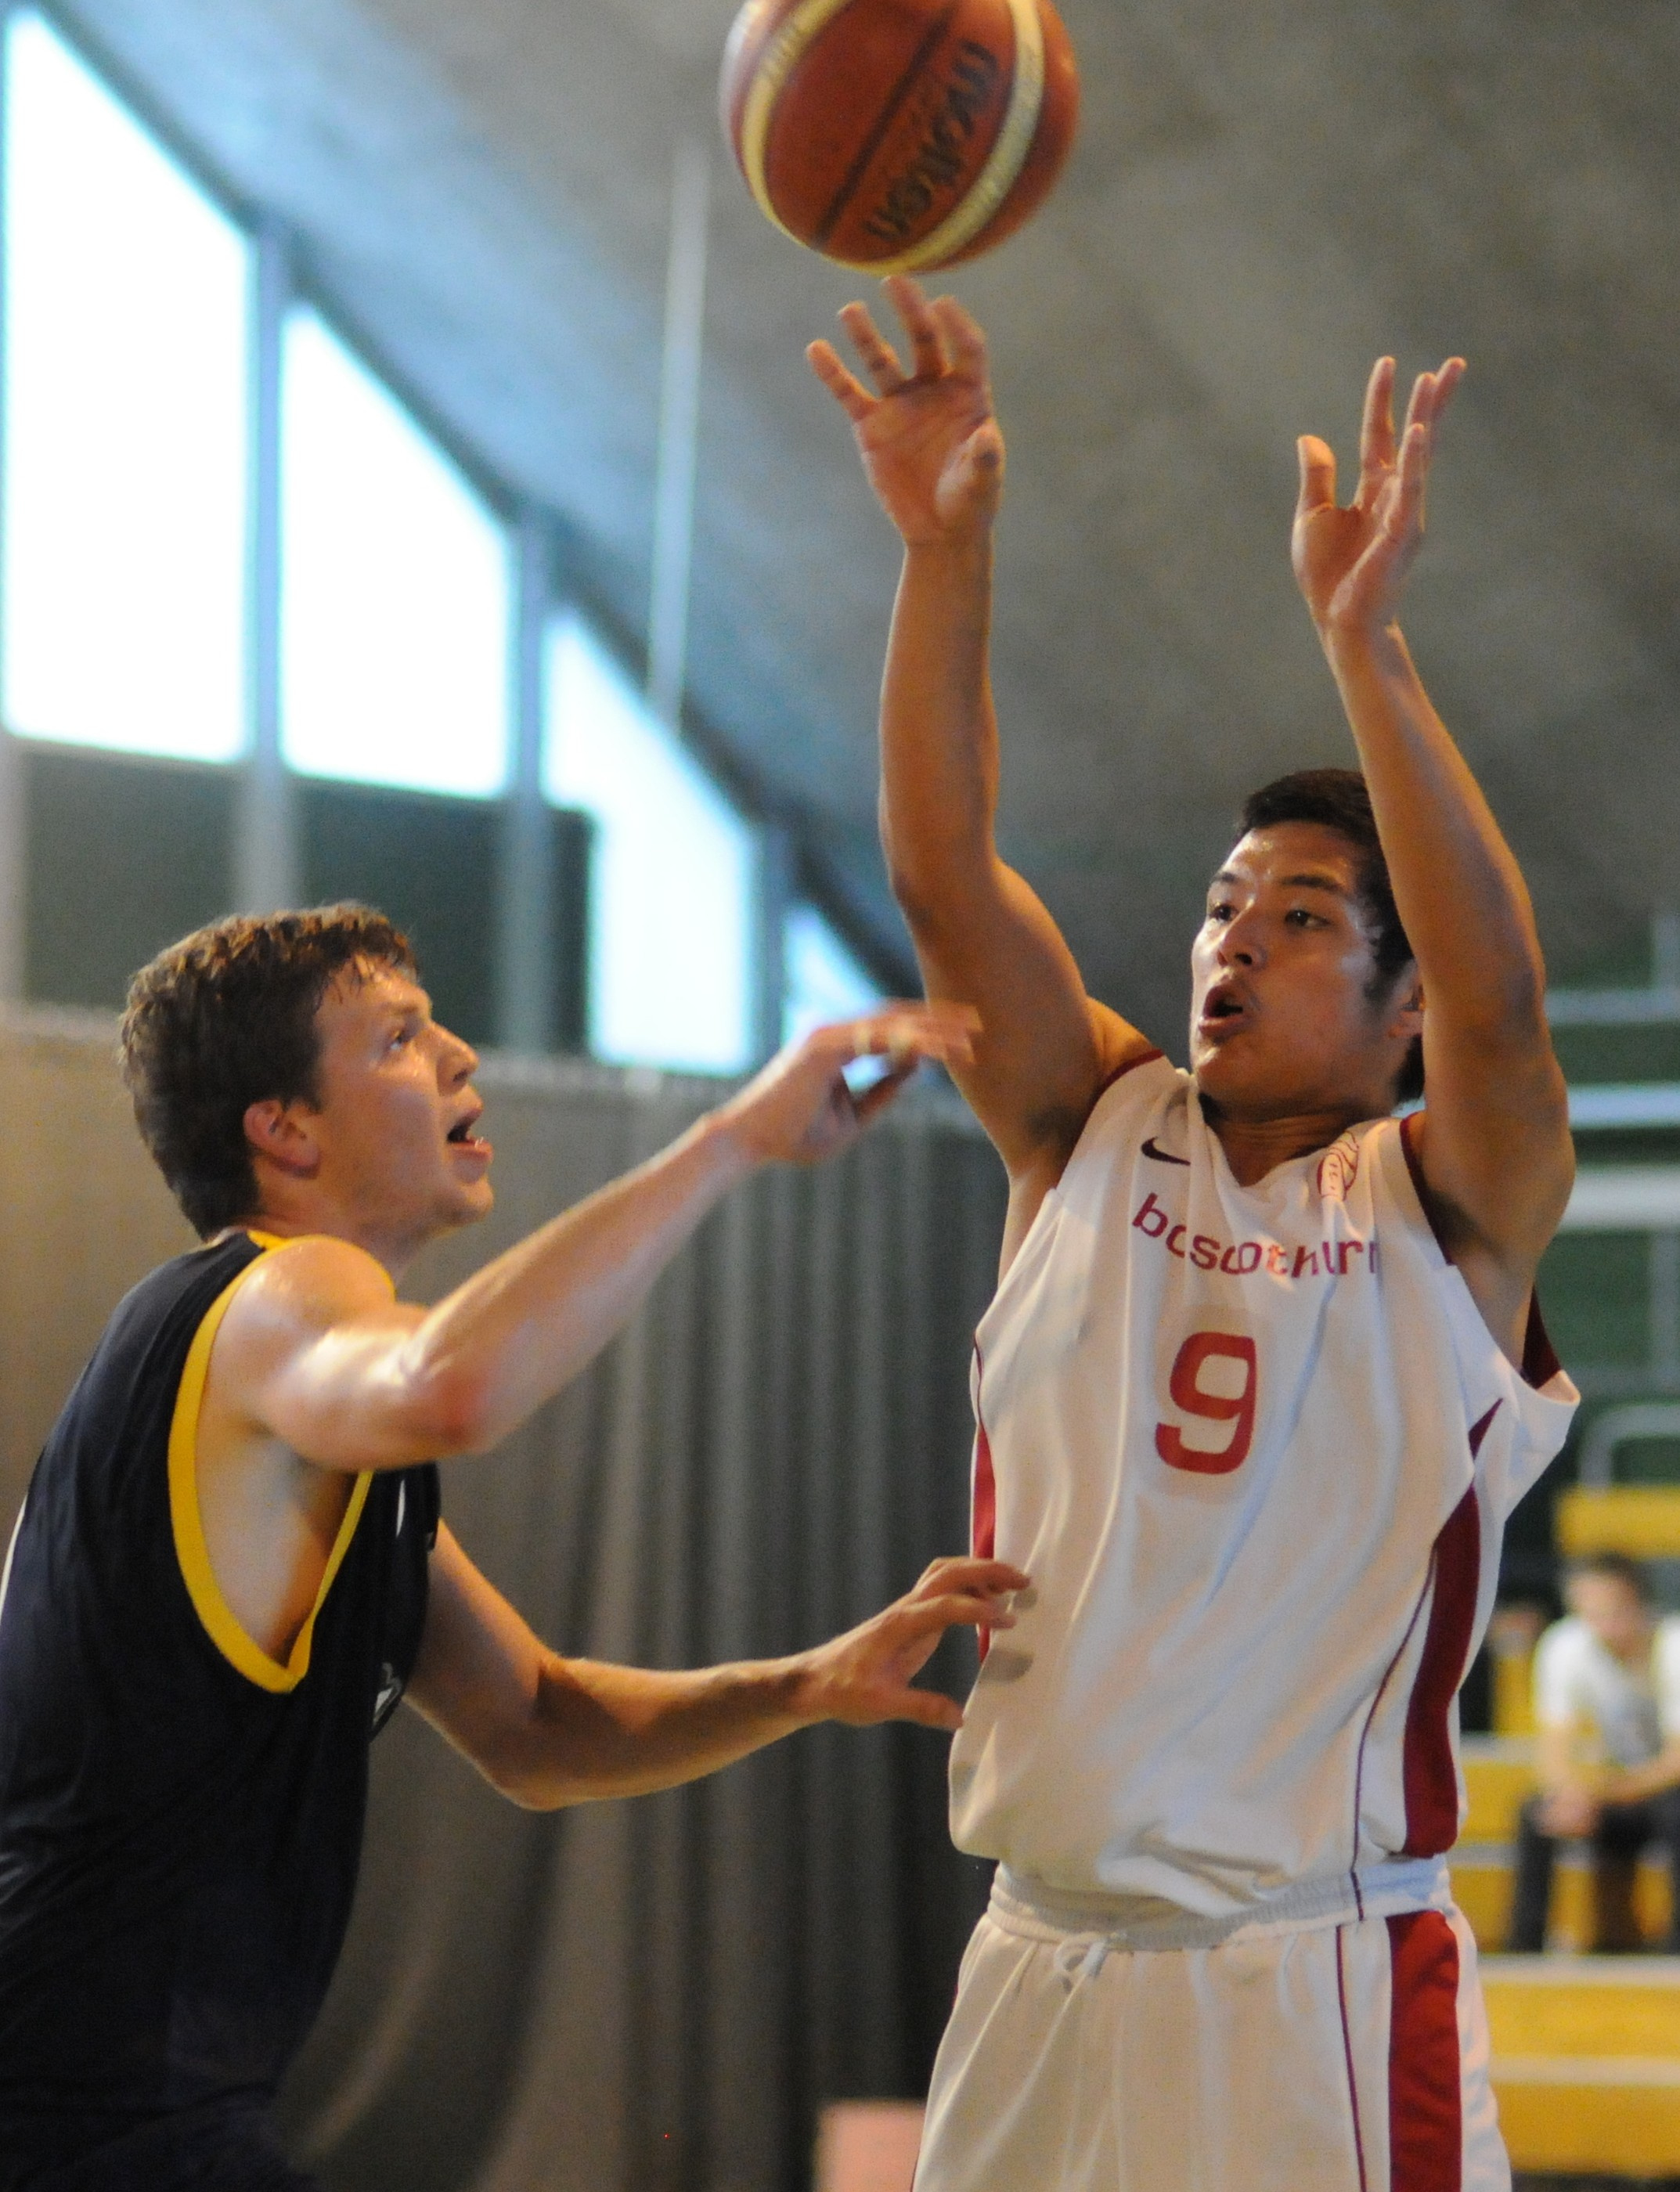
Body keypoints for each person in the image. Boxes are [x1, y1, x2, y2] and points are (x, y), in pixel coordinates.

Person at [809, 279, 1579, 2190]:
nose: (1234, 936)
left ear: (1397, 1009)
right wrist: (939, 551)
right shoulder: (1089, 1119)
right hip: (1034, 1963)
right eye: (1224, 904)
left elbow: (1500, 1005)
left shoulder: (1447, 1206)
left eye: (1301, 918)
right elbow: (938, 872)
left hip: (1304, 1983)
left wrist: (1362, 643)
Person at [0, 904, 1026, 2192]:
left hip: (133, 2108)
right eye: (397, 1039)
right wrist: (730, 1140)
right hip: (73, 2114)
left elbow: (535, 1724)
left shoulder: (312, 1432)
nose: (459, 1054)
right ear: (285, 1130)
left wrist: (804, 1683)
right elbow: (455, 1387)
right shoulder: (278, 1289)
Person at [1510, 1552, 1680, 1953]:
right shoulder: (1567, 1645)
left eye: (1614, 1610)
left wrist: (1603, 1791)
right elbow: (1554, 1747)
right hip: (1612, 1790)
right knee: (1537, 1812)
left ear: (1640, 1604)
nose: (1603, 1624)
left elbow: (1675, 1762)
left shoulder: (1673, 1647)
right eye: (1590, 1611)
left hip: (1659, 1791)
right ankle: (1525, 1946)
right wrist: (1571, 1794)